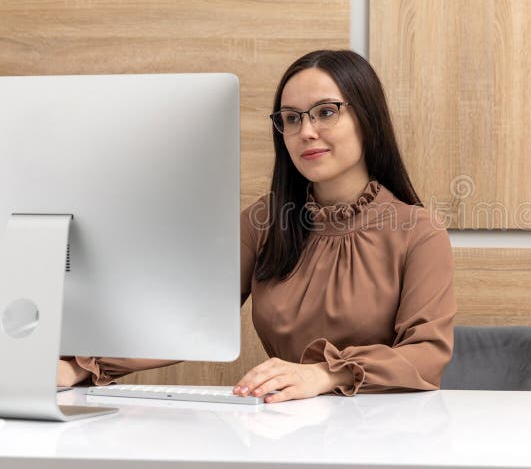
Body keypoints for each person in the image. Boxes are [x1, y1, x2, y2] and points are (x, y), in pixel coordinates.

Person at [58, 50, 457, 403]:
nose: (307, 132)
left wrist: (324, 374)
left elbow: (426, 355)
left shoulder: (419, 232)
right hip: (280, 428)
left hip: (388, 434)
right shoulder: (263, 222)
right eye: (291, 118)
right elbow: (190, 319)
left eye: (326, 111)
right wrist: (83, 365)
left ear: (367, 118)